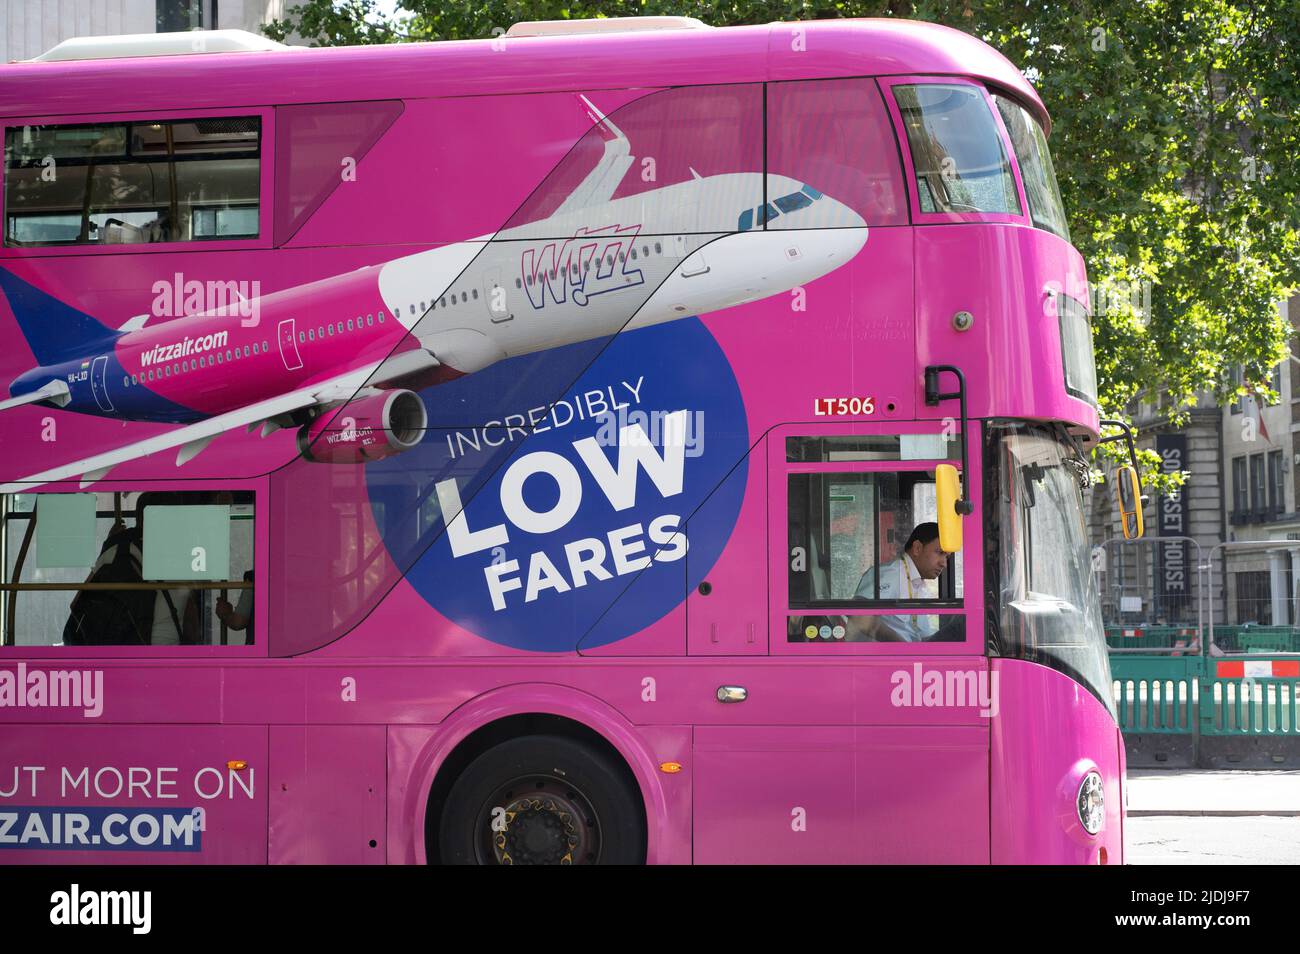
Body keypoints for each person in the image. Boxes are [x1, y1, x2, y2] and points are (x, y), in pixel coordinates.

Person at [847, 522, 948, 642]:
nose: (944, 564)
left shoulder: (917, 585)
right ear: (917, 548)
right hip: (880, 658)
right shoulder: (891, 574)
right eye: (940, 553)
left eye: (947, 557)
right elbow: (858, 615)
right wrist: (899, 644)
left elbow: (921, 636)